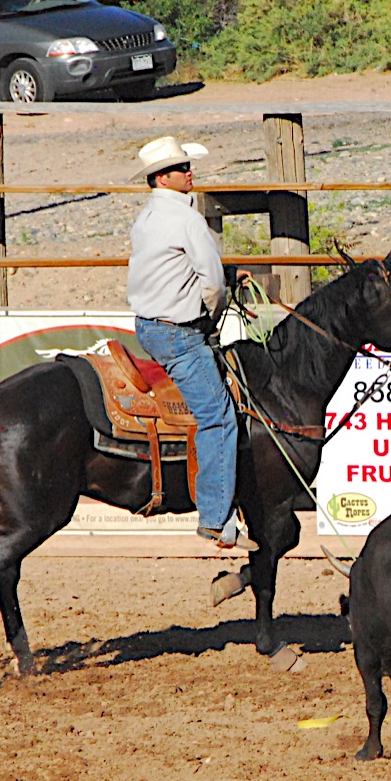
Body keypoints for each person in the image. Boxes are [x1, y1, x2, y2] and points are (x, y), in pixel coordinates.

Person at [126, 135, 254, 550]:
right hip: (179, 333)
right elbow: (212, 284)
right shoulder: (188, 219)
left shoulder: (146, 218)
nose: (189, 172)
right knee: (218, 417)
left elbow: (176, 268)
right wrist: (211, 318)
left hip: (150, 325)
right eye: (183, 169)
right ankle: (216, 518)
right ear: (163, 178)